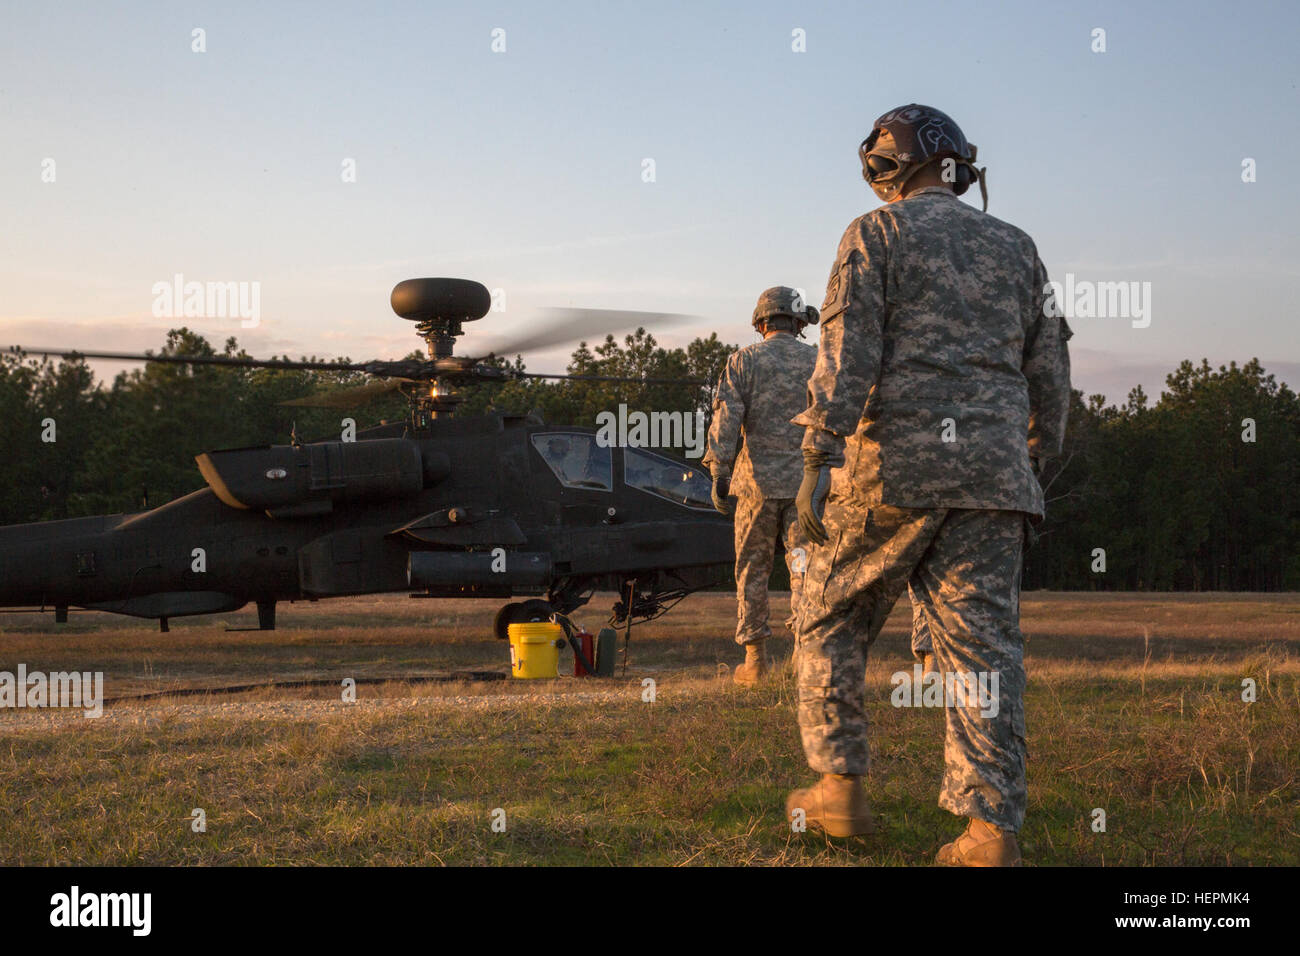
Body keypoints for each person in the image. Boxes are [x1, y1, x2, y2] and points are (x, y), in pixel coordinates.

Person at [786, 104, 1072, 865]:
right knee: (984, 652)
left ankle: (840, 790)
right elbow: (1051, 366)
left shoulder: (875, 234)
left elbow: (847, 350)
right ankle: (988, 835)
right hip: (995, 478)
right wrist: (1035, 452)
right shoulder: (1018, 248)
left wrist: (819, 455)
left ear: (893, 164)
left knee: (828, 613)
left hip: (895, 470)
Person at [704, 287, 819, 686]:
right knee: (804, 569)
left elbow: (726, 417)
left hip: (756, 487)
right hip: (809, 487)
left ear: (761, 322)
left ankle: (754, 662)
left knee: (753, 570)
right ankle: (807, 658)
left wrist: (719, 471)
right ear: (798, 323)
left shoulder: (743, 361)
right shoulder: (819, 360)